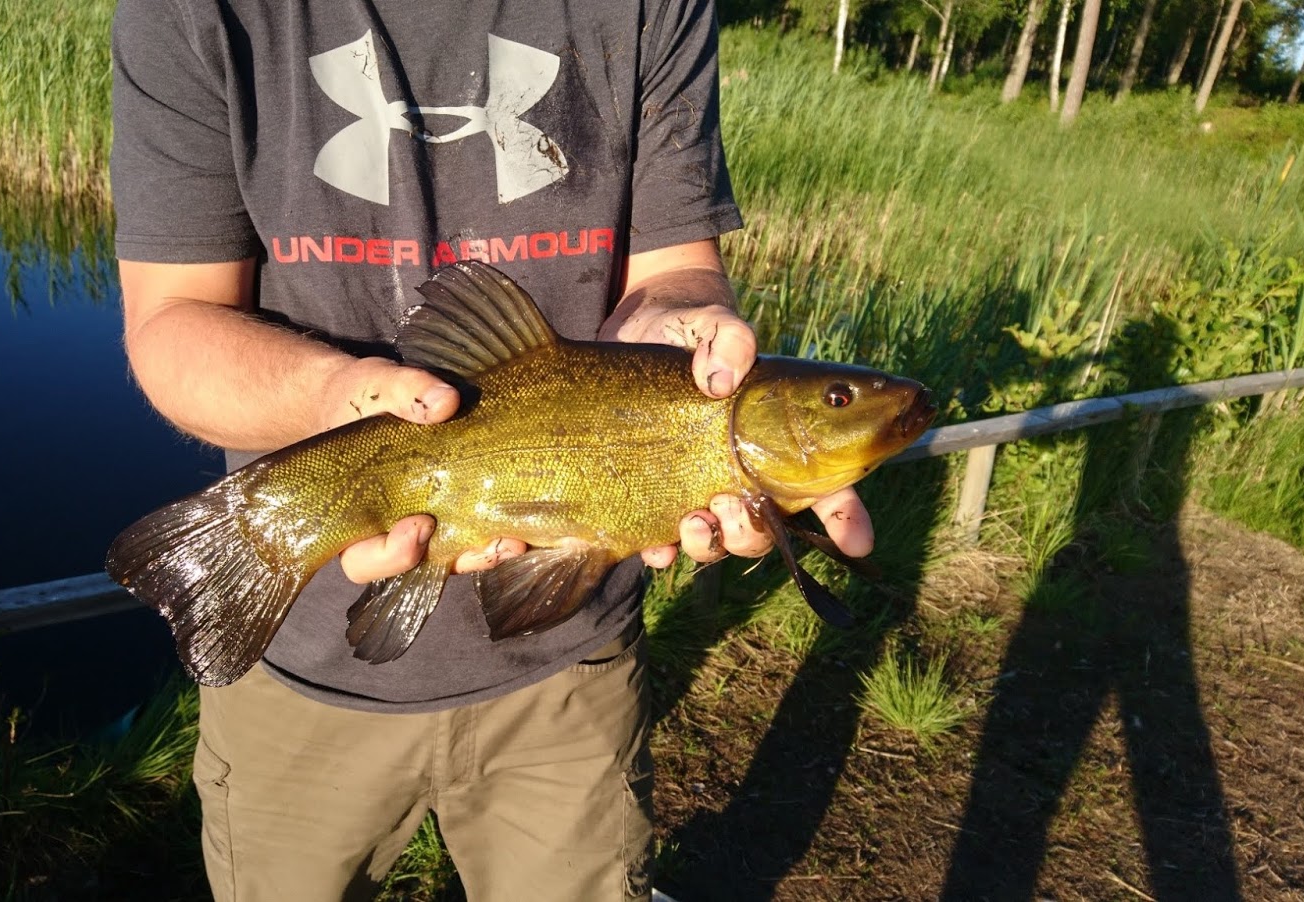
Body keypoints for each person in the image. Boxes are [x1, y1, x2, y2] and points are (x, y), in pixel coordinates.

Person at [110, 0, 873, 898]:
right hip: (302, 661)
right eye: (836, 399)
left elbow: (673, 272)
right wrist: (332, 398)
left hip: (573, 664)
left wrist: (678, 312)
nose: (852, 407)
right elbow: (172, 324)